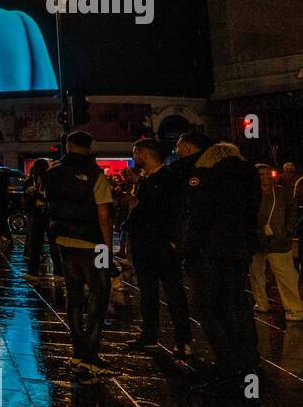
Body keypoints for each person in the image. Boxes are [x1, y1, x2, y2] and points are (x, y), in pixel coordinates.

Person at [184, 142, 261, 389]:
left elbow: (200, 217)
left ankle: (226, 361)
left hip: (211, 250)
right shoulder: (249, 178)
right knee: (236, 302)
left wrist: (188, 250)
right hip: (239, 249)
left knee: (209, 306)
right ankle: (248, 358)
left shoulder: (209, 178)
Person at [44, 131, 114, 375]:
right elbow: (104, 216)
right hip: (93, 244)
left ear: (68, 145)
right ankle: (90, 354)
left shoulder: (52, 172)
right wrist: (108, 248)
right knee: (99, 295)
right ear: (88, 147)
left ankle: (77, 351)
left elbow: (49, 205)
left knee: (73, 297)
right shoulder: (95, 174)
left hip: (64, 241)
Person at [124, 138, 193, 354]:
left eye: (136, 153)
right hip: (147, 245)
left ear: (145, 154)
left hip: (161, 244)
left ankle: (182, 339)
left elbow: (172, 212)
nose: (134, 158)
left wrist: (173, 241)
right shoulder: (149, 180)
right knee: (148, 292)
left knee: (173, 293)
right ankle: (150, 334)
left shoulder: (167, 179)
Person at [250, 164, 302, 322]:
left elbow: (293, 209)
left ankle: (295, 307)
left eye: (267, 174)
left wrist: (288, 229)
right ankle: (261, 303)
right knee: (256, 273)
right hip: (256, 240)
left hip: (278, 239)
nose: (265, 178)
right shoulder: (249, 193)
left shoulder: (281, 192)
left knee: (286, 274)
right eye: (261, 175)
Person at [22, 159, 53, 277]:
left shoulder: (48, 180)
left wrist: (35, 192)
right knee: (35, 243)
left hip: (46, 213)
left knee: (50, 243)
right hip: (38, 212)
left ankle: (58, 272)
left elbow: (47, 197)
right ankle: (33, 271)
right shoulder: (35, 180)